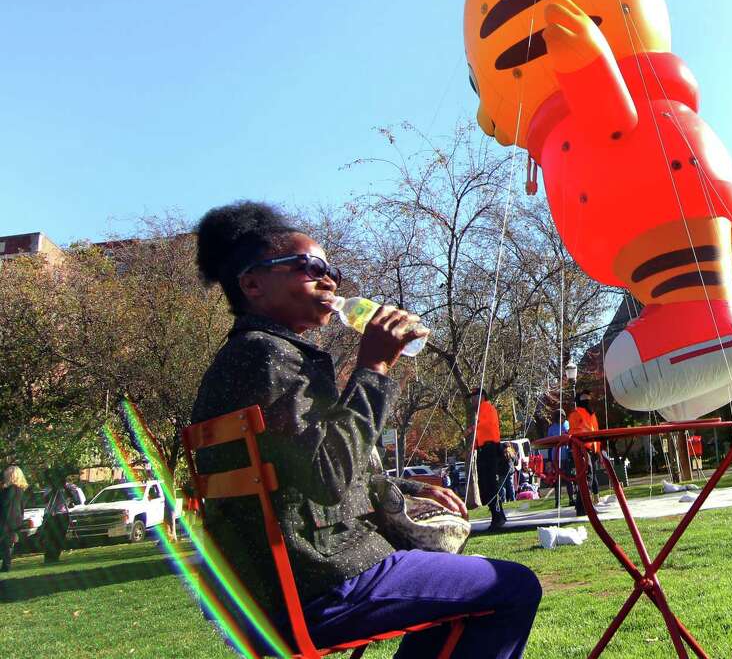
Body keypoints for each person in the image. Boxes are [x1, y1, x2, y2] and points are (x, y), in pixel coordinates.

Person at [190, 201, 540, 659]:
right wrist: (373, 366)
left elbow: (301, 478)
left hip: (267, 594)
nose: (329, 279)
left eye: (329, 268)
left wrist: (405, 485)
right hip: (319, 585)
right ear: (252, 284)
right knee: (513, 587)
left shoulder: (250, 357)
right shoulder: (265, 357)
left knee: (457, 597)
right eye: (308, 266)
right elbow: (328, 477)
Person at [468, 388, 507, 530]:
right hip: (484, 449)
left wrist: (471, 429)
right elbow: (482, 430)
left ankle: (498, 516)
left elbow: (483, 425)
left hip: (490, 449)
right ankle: (496, 515)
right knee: (485, 484)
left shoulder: (488, 408)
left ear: (482, 396)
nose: (471, 400)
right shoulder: (480, 411)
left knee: (490, 484)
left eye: (474, 396)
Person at [566, 390, 602, 515]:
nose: (587, 400)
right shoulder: (576, 414)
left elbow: (595, 433)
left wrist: (597, 451)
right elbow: (574, 432)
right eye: (585, 398)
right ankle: (584, 506)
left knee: (588, 478)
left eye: (588, 397)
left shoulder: (591, 415)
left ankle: (582, 506)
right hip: (582, 449)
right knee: (587, 478)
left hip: (590, 450)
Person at [41, 471, 73, 564]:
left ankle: (55, 557)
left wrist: (64, 487)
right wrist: (54, 489)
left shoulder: (67, 487)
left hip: (62, 514)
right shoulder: (49, 488)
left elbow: (72, 498)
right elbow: (45, 499)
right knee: (49, 538)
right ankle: (48, 557)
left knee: (59, 537)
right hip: (50, 515)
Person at [1, 466, 27, 573]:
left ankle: (6, 566)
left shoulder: (9, 490)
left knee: (5, 544)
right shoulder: (21, 490)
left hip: (6, 519)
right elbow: (21, 506)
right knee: (8, 544)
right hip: (15, 520)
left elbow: (4, 503)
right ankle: (6, 565)